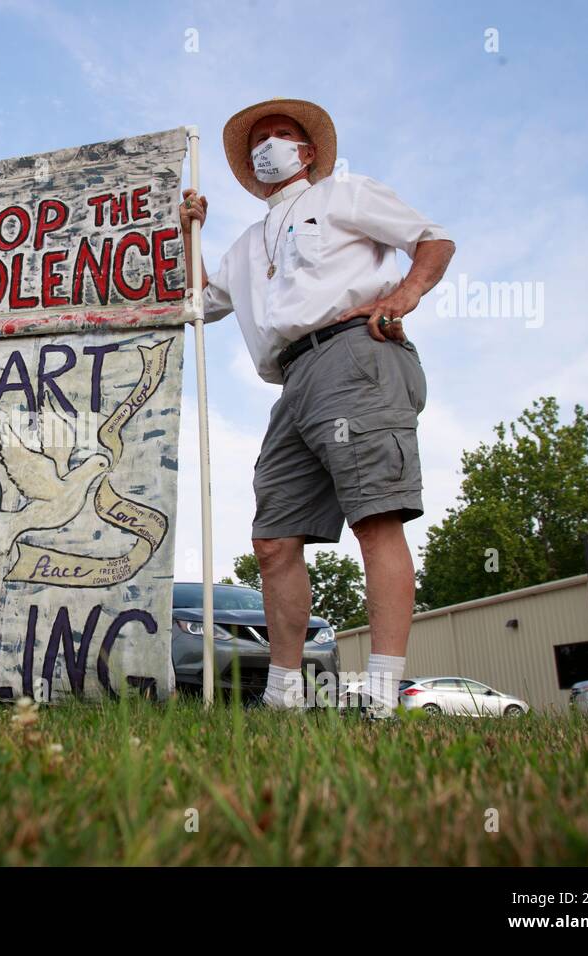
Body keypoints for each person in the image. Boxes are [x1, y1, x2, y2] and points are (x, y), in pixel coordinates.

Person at [180, 98, 455, 716]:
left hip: (352, 353)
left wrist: (406, 294)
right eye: (258, 139)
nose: (267, 145)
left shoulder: (343, 195)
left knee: (375, 515)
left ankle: (382, 695)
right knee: (274, 540)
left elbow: (433, 239)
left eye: (281, 135)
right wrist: (186, 230)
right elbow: (199, 302)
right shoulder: (248, 244)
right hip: (291, 379)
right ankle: (283, 693)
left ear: (306, 152)